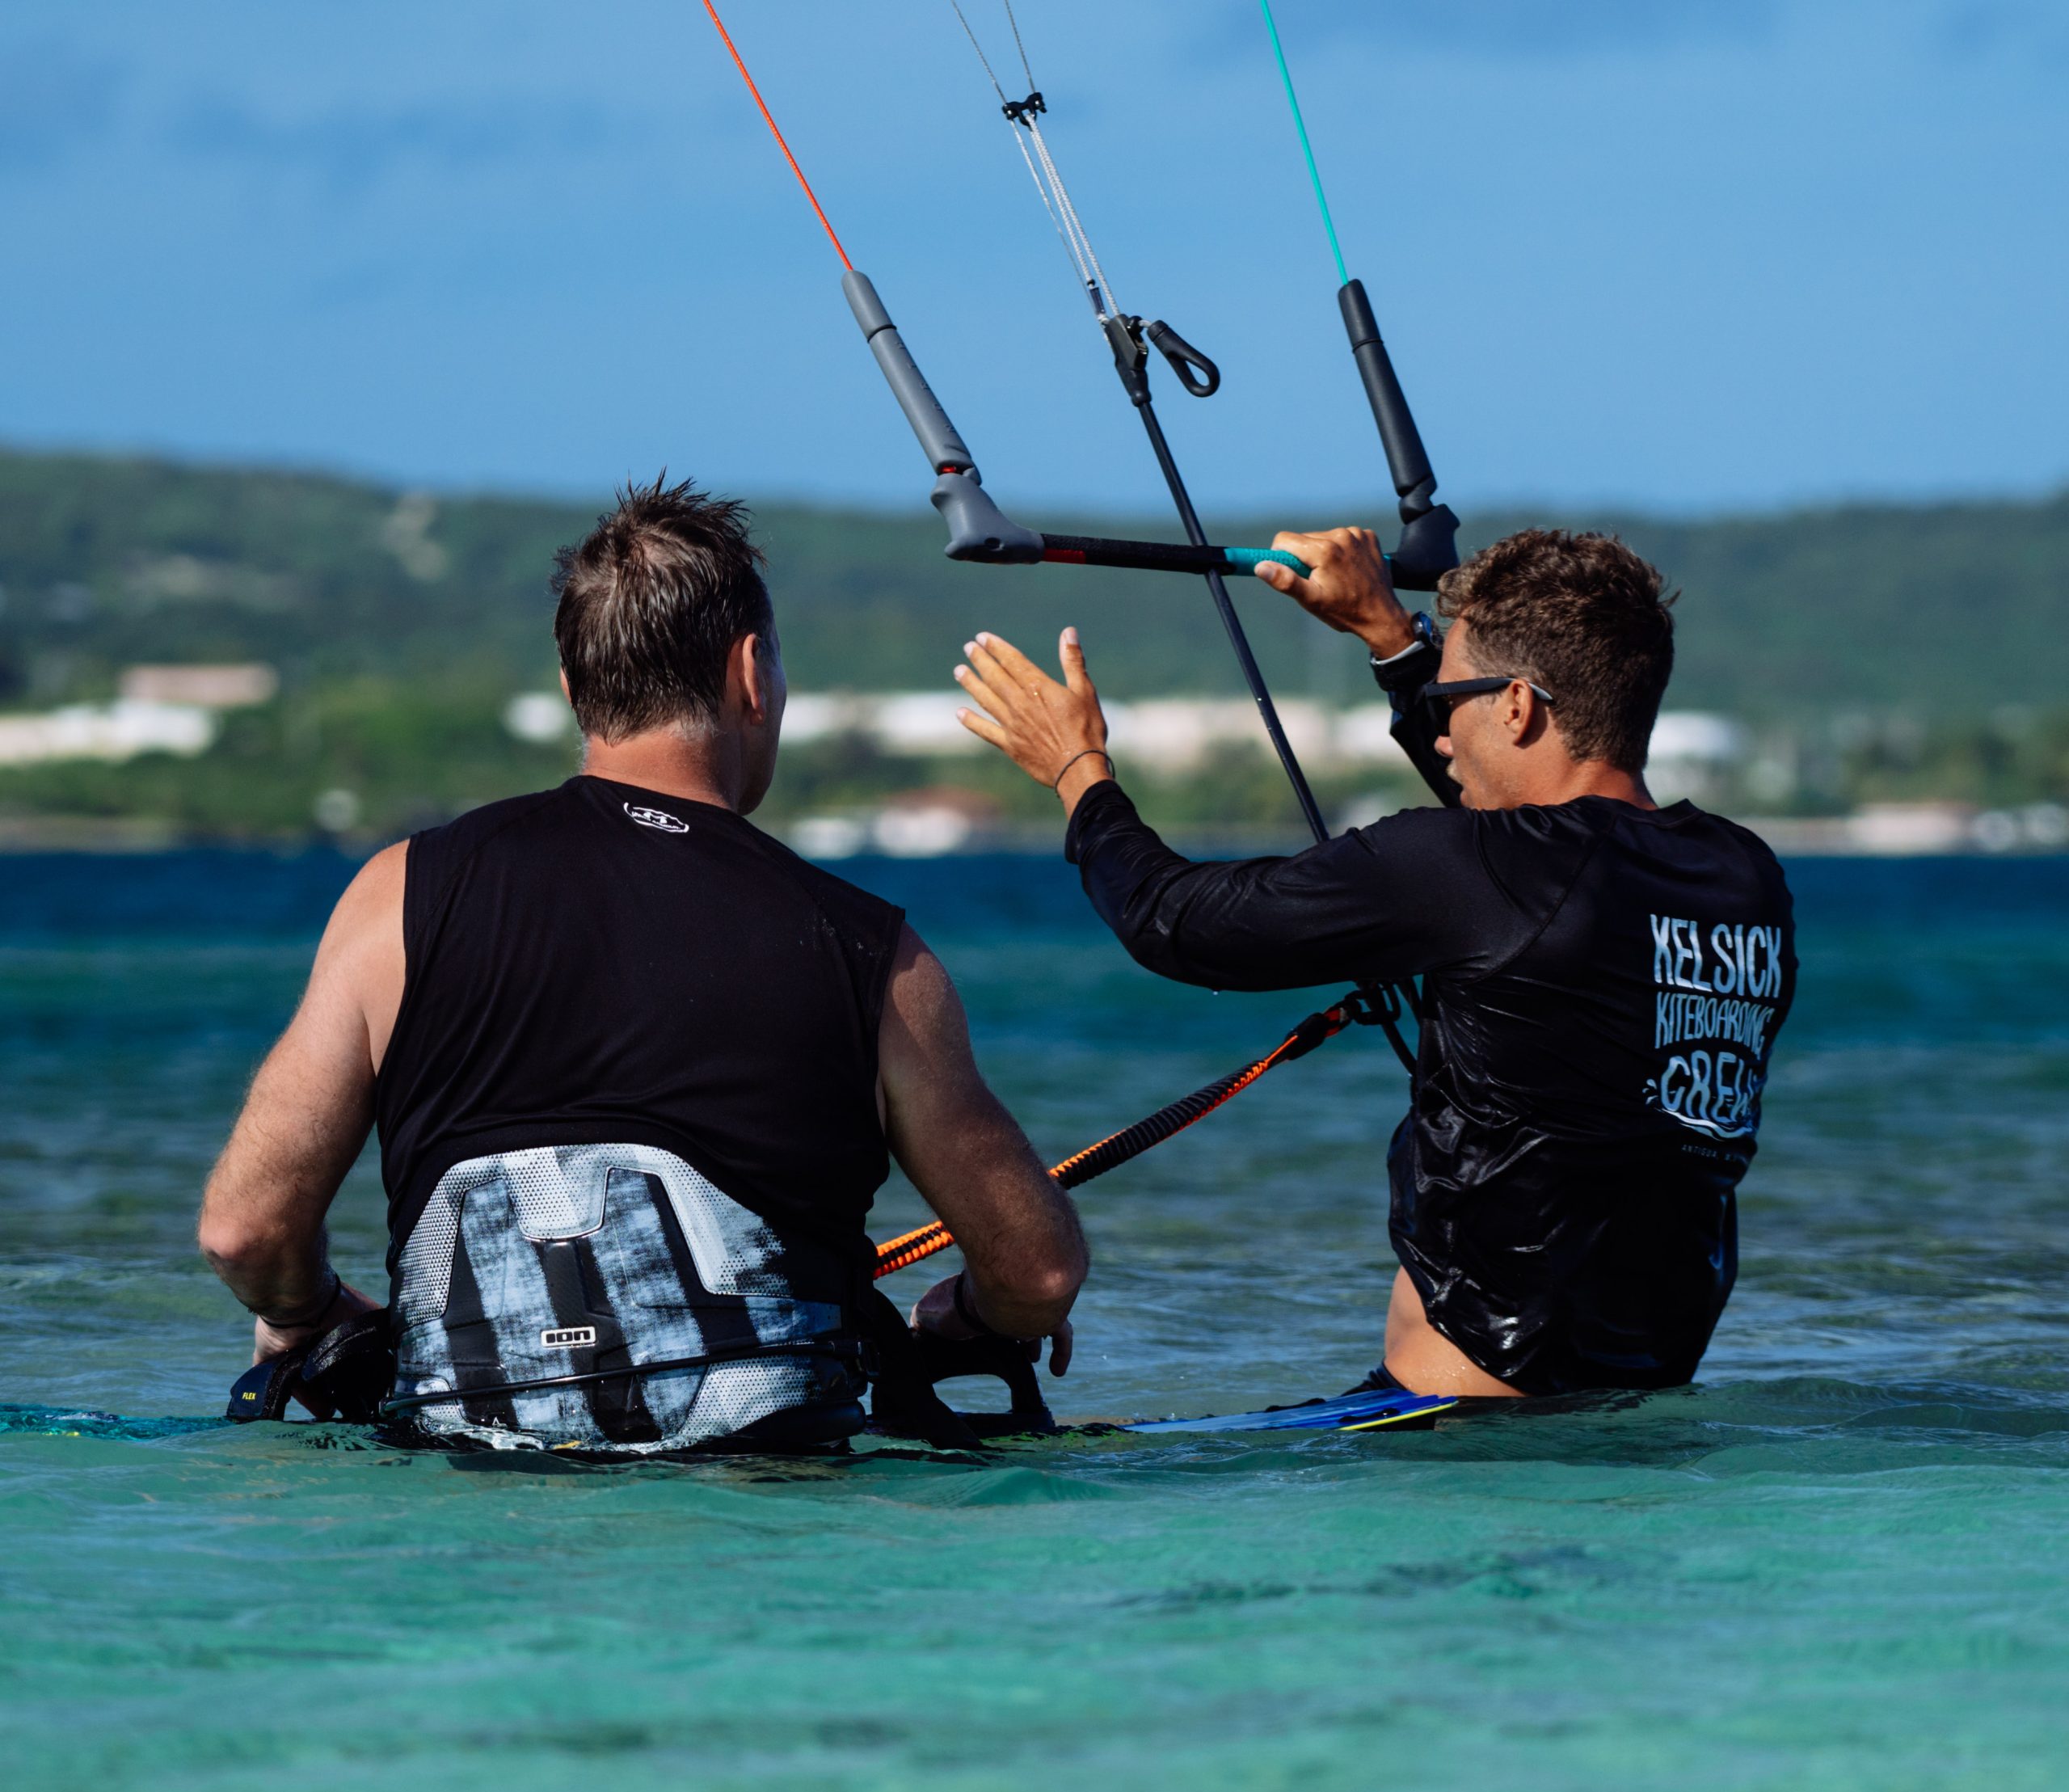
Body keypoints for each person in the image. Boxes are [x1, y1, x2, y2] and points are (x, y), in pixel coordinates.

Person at [199, 478, 1085, 1455]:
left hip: (469, 1503)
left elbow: (245, 1230)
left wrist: (308, 1312)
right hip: (763, 1504)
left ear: (576, 688)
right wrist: (966, 1318)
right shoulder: (872, 951)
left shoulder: (394, 898)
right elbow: (1036, 1274)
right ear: (752, 674)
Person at [949, 525, 1795, 1399]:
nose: (1438, 735)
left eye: (1451, 695)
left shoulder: (1479, 872)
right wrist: (1389, 637)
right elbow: (1533, 868)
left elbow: (1174, 923)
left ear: (1514, 706)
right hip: (1637, 1400)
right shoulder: (1743, 879)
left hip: (1450, 1422)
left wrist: (1077, 770)